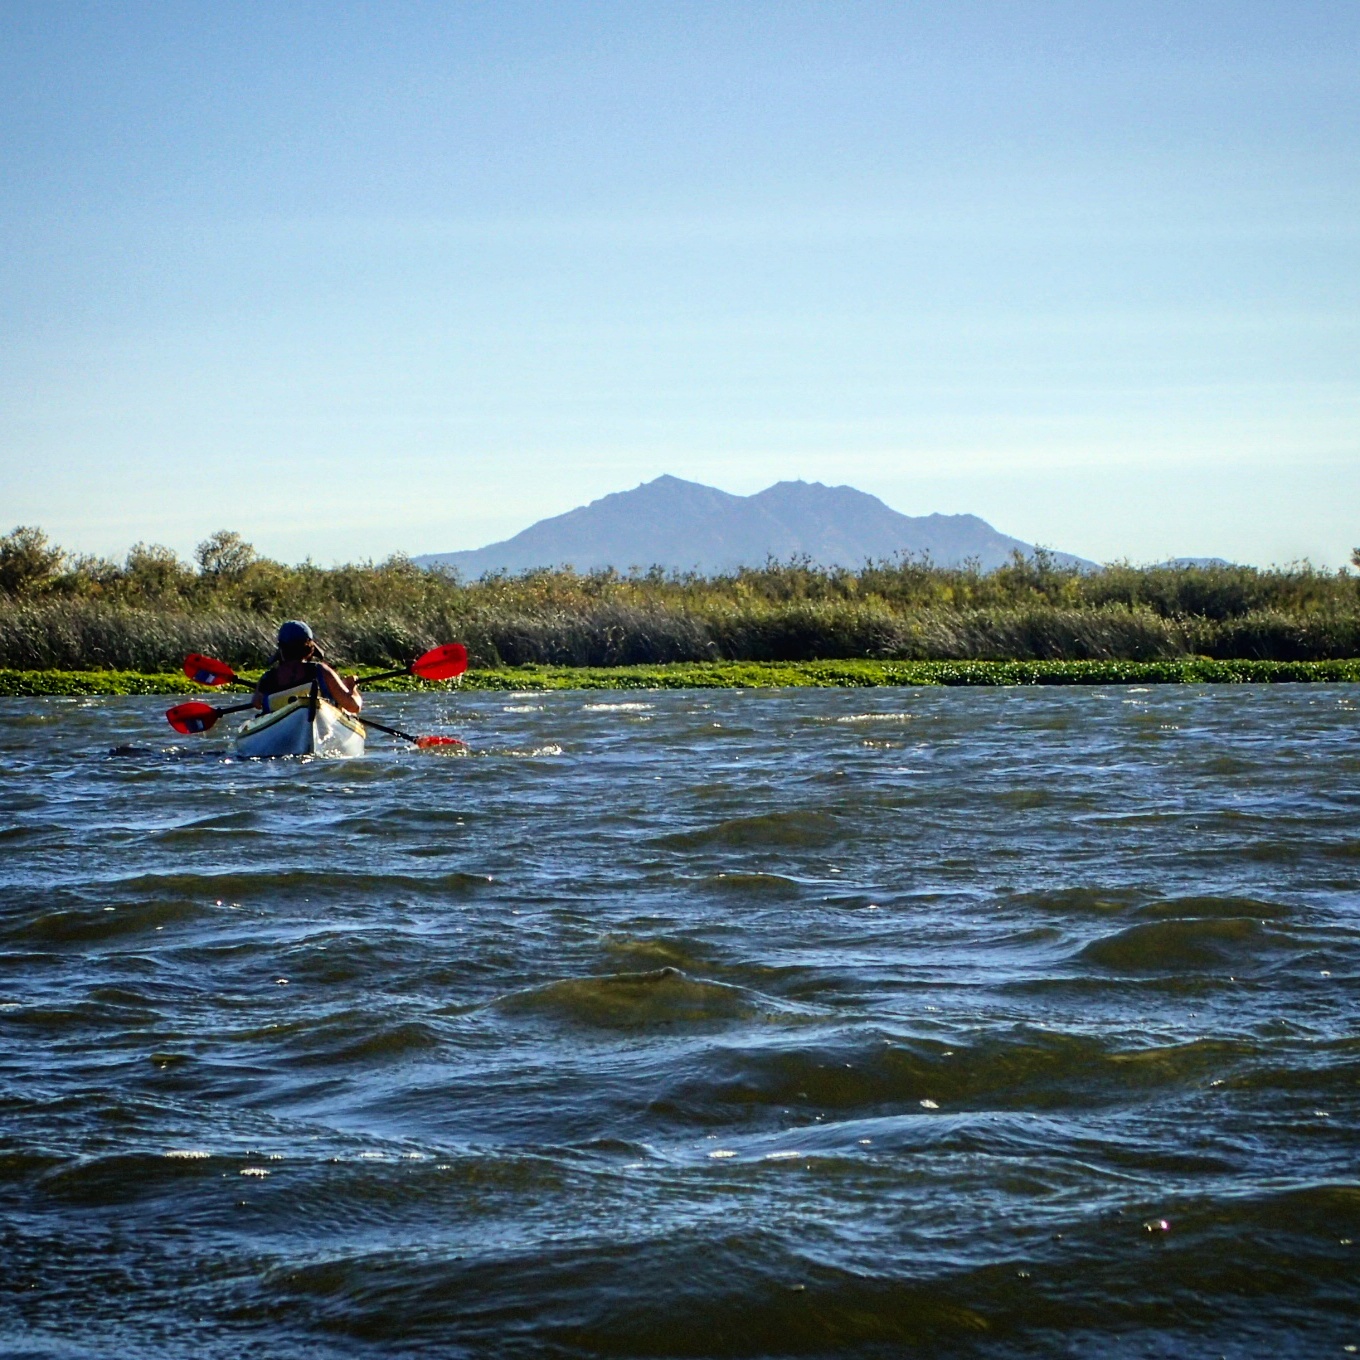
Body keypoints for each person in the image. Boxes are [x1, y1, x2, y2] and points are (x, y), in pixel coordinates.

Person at [252, 621, 363, 715]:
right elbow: (354, 707)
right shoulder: (322, 671)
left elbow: (256, 703)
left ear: (281, 649)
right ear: (310, 648)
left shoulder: (266, 678)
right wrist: (352, 688)